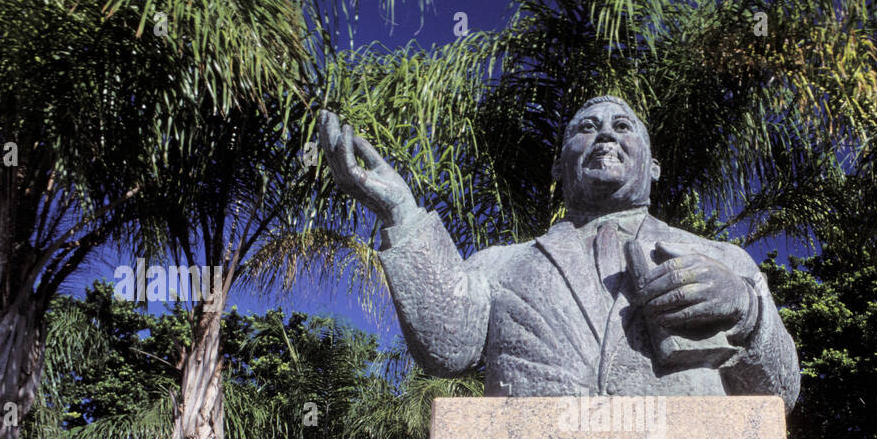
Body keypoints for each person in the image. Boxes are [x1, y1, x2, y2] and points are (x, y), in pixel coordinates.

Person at [321, 96, 800, 411]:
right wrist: (401, 213)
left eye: (622, 127)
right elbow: (447, 349)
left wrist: (748, 313)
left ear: (653, 168)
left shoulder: (723, 262)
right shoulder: (500, 264)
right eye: (587, 127)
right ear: (559, 163)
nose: (606, 135)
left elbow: (779, 394)